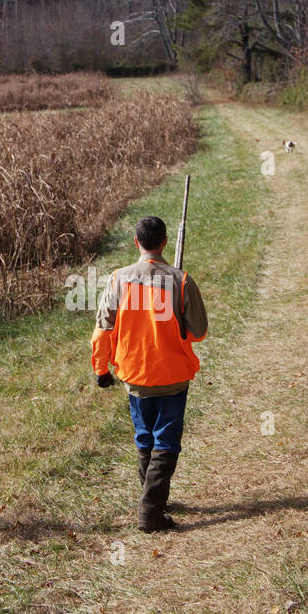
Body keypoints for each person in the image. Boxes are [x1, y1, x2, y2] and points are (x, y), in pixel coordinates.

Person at [91, 216, 208, 532]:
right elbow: (199, 332)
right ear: (165, 242)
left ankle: (153, 498)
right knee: (166, 440)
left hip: (135, 375)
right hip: (172, 376)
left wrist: (102, 369)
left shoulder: (118, 279)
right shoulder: (180, 280)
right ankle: (150, 513)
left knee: (144, 436)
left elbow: (103, 330)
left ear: (135, 242)